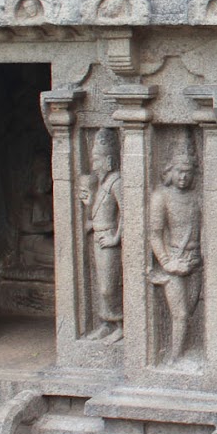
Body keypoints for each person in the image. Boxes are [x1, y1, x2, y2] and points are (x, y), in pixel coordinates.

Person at [149, 132, 203, 363]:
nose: (183, 177)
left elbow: (206, 228)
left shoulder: (197, 197)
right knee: (179, 314)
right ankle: (174, 357)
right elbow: (154, 233)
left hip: (194, 260)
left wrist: (202, 256)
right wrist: (167, 261)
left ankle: (184, 348)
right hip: (173, 257)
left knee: (189, 310)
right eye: (180, 172)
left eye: (188, 173)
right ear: (170, 171)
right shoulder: (161, 196)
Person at [80, 128, 123, 342]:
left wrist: (116, 237)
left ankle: (121, 324)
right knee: (101, 285)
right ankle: (106, 323)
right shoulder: (102, 183)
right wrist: (88, 205)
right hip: (98, 238)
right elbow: (97, 213)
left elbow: (126, 212)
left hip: (109, 241)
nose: (94, 165)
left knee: (109, 286)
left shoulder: (116, 182)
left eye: (97, 160)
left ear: (108, 160)